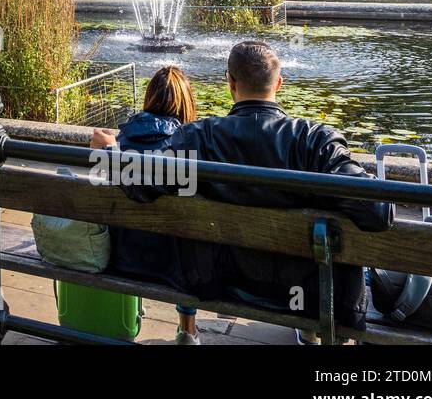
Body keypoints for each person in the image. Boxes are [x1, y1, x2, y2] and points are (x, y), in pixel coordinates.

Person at [97, 41, 393, 334]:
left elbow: (141, 184)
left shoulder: (199, 139)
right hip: (311, 294)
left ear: (230, 82)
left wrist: (110, 153)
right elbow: (378, 212)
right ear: (279, 83)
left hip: (223, 284)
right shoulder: (315, 142)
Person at [92, 66, 201, 344]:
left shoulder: (118, 143)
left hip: (121, 258)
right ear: (187, 103)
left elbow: (98, 193)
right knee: (191, 238)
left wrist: (106, 153)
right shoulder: (192, 148)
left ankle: (131, 314)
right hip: (177, 269)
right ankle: (187, 329)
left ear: (149, 98)